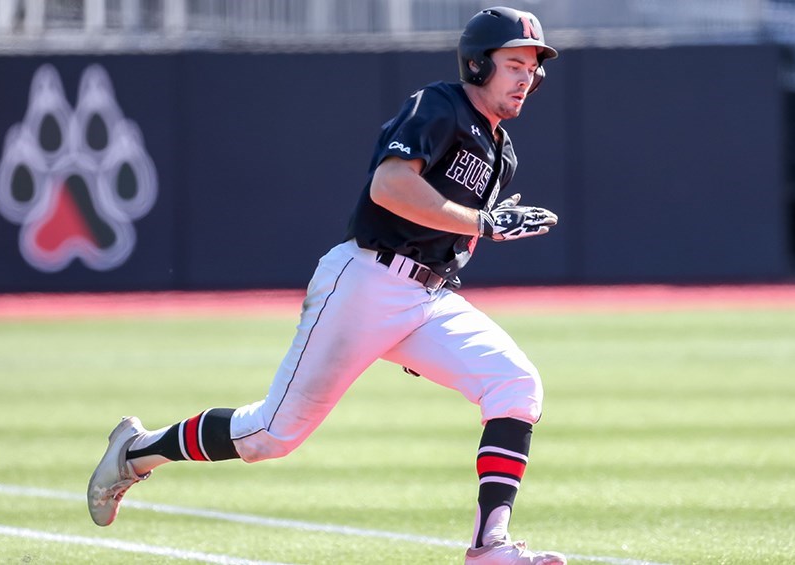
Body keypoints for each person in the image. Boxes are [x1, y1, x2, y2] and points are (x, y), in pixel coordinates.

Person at [88, 6, 565, 564]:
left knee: (515, 385)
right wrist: (483, 221)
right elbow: (389, 187)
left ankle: (490, 547)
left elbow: (446, 231)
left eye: (533, 68)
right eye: (514, 64)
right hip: (365, 281)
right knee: (269, 436)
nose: (527, 78)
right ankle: (138, 451)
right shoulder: (441, 106)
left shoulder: (501, 152)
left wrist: (481, 226)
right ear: (479, 65)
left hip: (427, 297)